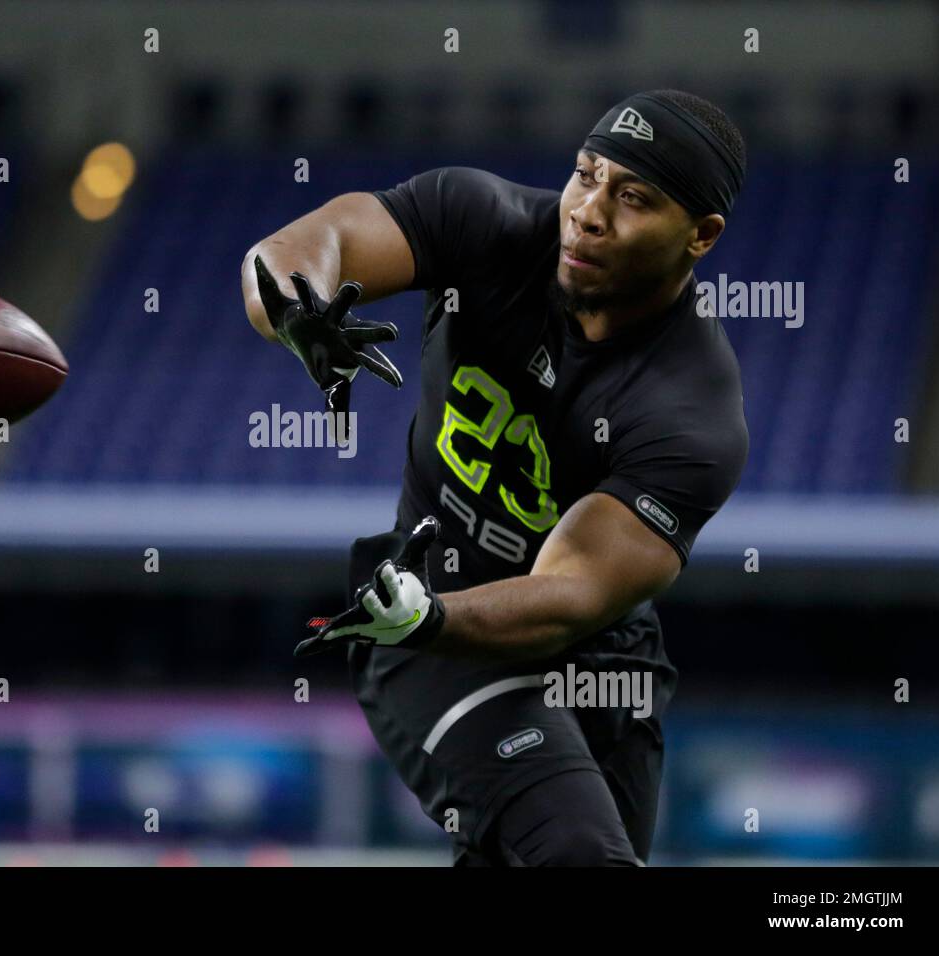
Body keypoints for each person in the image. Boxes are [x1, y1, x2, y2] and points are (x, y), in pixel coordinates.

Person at [242, 90, 749, 865]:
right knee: (578, 855)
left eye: (633, 197)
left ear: (701, 236)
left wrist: (430, 618)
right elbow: (305, 243)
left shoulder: (690, 411)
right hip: (425, 619)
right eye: (586, 175)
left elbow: (570, 594)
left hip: (595, 661)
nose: (588, 211)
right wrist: (300, 310)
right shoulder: (484, 222)